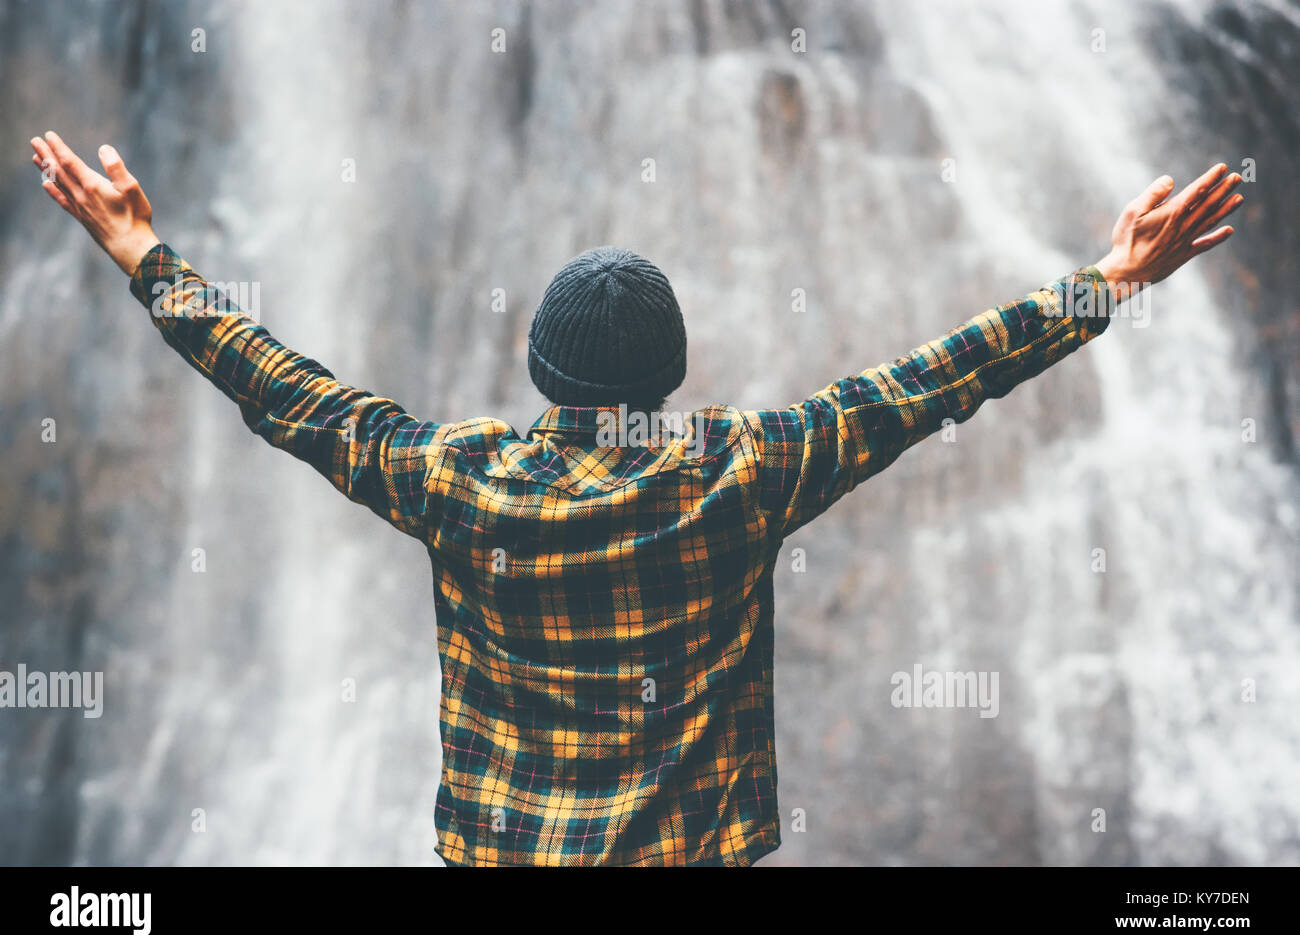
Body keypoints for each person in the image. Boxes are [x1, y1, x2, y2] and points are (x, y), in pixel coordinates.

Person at [29, 131, 1243, 866]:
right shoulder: (744, 470)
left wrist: (146, 255)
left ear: (538, 375)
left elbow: (283, 389)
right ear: (667, 377)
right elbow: (940, 379)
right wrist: (1112, 279)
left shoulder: (454, 480)